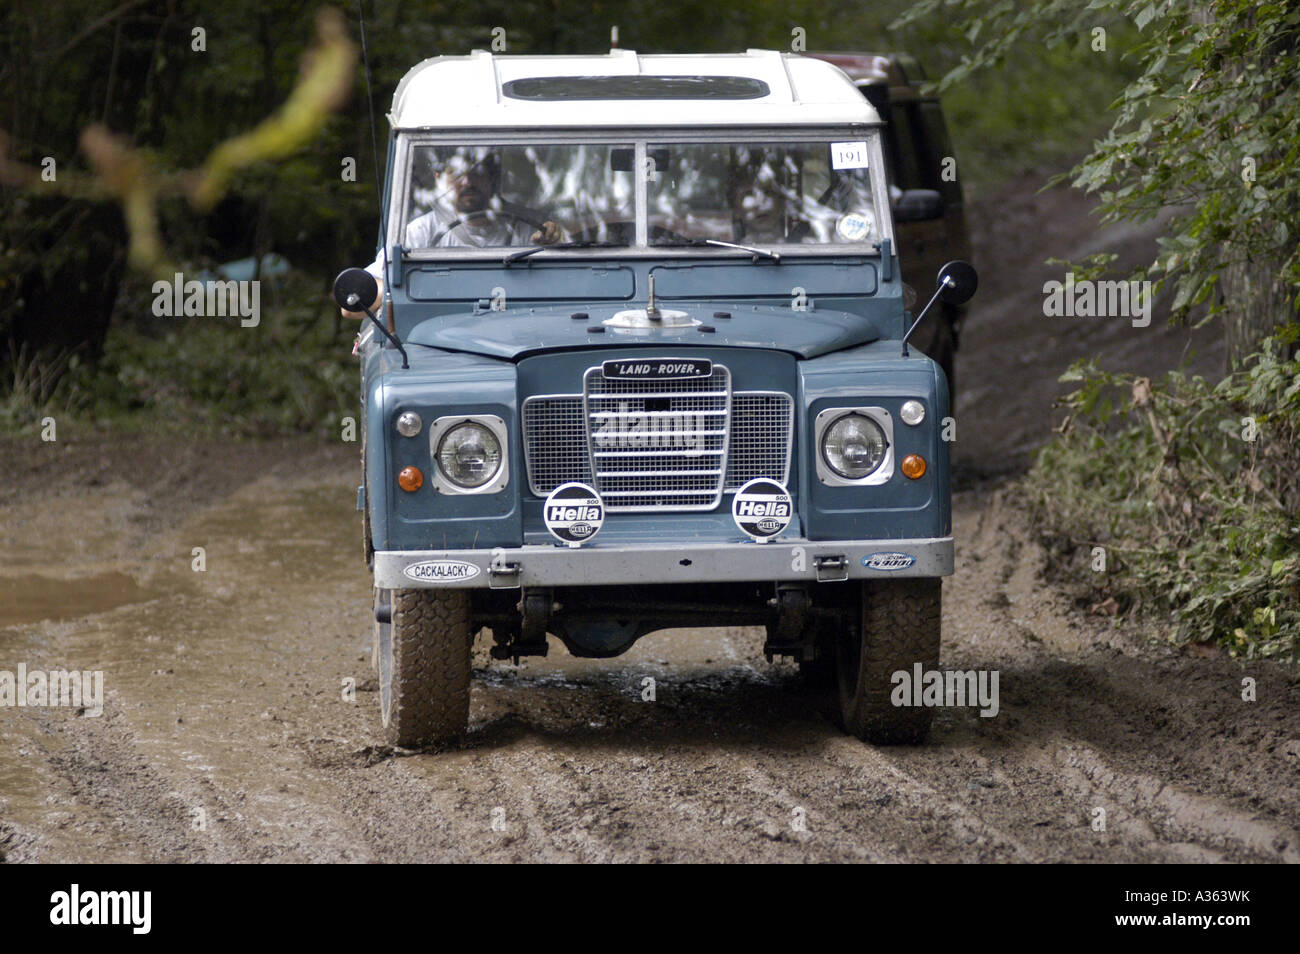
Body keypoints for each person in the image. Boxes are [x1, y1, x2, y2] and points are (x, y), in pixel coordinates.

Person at [341, 147, 561, 319]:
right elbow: (354, 304)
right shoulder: (421, 232)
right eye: (455, 173)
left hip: (517, 326)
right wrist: (397, 292)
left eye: (477, 172)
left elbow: (560, 286)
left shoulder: (524, 228)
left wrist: (550, 243)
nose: (467, 182)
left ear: (492, 178)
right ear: (438, 178)